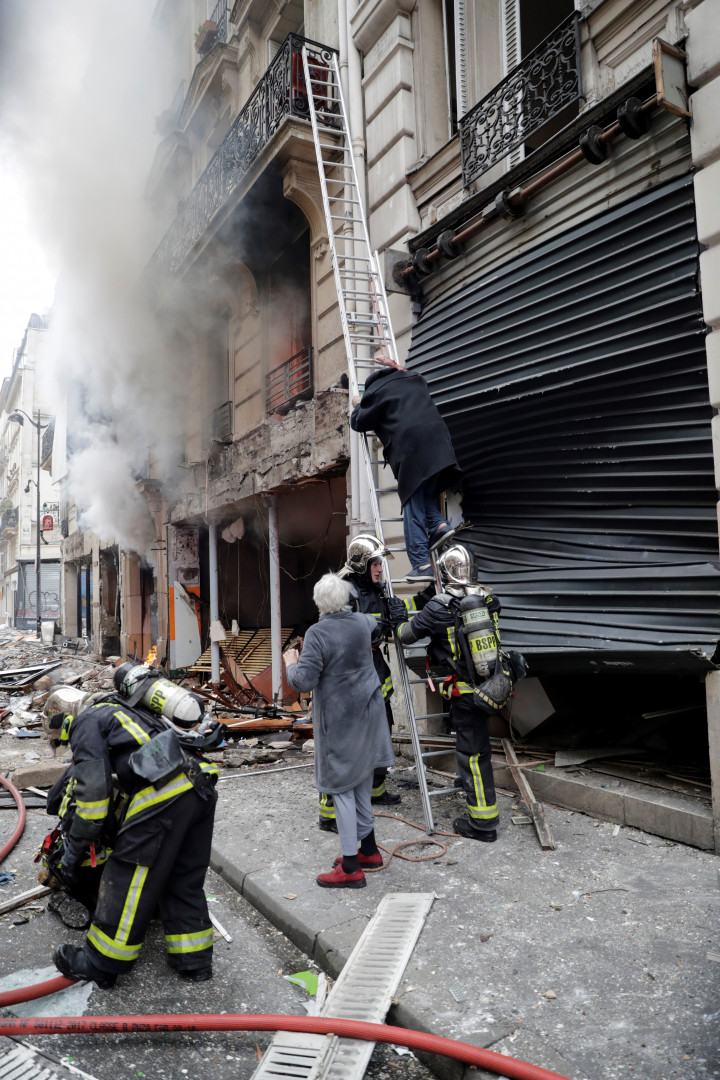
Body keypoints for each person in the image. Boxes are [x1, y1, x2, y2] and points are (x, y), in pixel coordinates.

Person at [48, 669, 222, 989]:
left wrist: (73, 851)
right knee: (182, 875)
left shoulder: (87, 722)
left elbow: (94, 797)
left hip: (164, 789)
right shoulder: (125, 711)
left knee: (130, 871)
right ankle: (194, 960)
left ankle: (101, 962)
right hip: (200, 780)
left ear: (66, 719)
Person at [283, 573, 394, 888]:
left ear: (319, 603)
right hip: (368, 714)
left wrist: (291, 661)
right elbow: (376, 626)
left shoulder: (317, 633)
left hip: (341, 719)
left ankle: (349, 868)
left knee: (342, 787)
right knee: (360, 779)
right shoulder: (361, 622)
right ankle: (369, 851)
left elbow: (303, 681)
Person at [396, 543, 501, 842]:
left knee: (472, 756)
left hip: (463, 695)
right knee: (477, 750)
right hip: (488, 688)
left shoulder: (438, 607)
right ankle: (470, 792)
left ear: (444, 574)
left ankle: (483, 825)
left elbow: (406, 635)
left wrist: (399, 615)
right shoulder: (489, 599)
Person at [316, 535, 408, 833]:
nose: (381, 569)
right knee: (344, 744)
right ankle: (329, 812)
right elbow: (350, 635)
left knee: (382, 729)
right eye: (375, 563)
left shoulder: (376, 589)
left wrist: (399, 618)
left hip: (375, 670)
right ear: (361, 564)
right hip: (349, 673)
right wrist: (384, 627)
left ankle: (375, 790)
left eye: (381, 562)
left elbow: (385, 633)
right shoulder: (346, 591)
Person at [350, 363, 463, 581]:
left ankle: (421, 565)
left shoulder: (376, 391)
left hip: (413, 449)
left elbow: (358, 421)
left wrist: (357, 405)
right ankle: (440, 525)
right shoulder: (413, 379)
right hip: (439, 444)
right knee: (423, 493)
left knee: (411, 502)